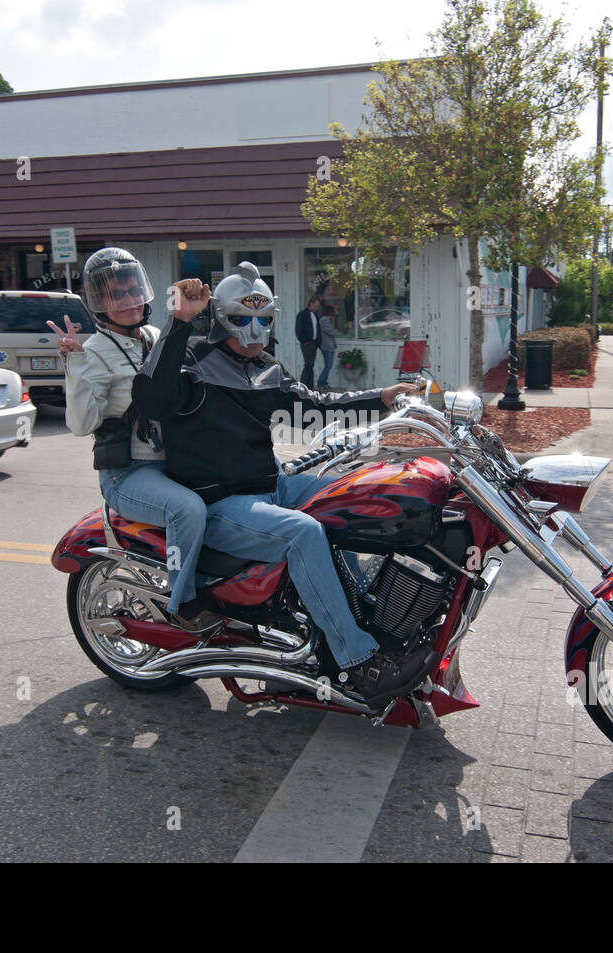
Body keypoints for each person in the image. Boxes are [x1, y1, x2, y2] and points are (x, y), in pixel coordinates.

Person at [136, 262, 433, 708]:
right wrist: (178, 321)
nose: (255, 331)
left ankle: (368, 613)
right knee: (303, 532)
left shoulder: (266, 368)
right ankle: (358, 659)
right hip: (218, 502)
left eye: (263, 319)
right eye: (243, 319)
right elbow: (151, 399)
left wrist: (381, 398)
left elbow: (315, 405)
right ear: (221, 319)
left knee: (353, 494)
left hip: (272, 484)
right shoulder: (193, 361)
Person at [49, 247, 214, 630]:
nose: (128, 300)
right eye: (115, 294)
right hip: (129, 473)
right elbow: (81, 424)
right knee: (187, 510)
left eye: (132, 289)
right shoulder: (93, 351)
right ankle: (183, 603)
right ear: (98, 302)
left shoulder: (156, 336)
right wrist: (75, 363)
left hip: (175, 461)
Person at [295, 295, 321, 384]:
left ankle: (310, 386)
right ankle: (302, 385)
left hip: (314, 343)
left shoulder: (315, 315)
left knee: (311, 365)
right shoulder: (302, 314)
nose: (317, 308)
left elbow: (317, 329)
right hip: (307, 343)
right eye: (316, 305)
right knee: (308, 364)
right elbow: (298, 329)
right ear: (311, 304)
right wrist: (304, 341)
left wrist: (318, 343)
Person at [316, 304, 337, 388]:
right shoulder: (324, 320)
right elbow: (332, 332)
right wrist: (335, 327)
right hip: (327, 346)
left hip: (328, 346)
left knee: (328, 366)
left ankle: (324, 382)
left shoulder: (326, 320)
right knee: (328, 366)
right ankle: (321, 383)